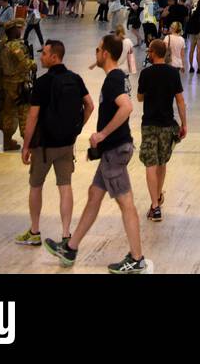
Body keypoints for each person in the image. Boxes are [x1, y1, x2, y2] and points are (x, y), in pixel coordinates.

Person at [45, 33, 147, 274]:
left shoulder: (113, 79)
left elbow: (127, 108)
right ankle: (70, 247)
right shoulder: (116, 76)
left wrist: (101, 135)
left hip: (116, 150)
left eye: (98, 49)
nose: (95, 52)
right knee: (94, 194)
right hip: (111, 151)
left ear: (106, 54)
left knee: (126, 204)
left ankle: (137, 257)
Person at [16, 39, 94, 249]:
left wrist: (26, 145)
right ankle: (66, 234)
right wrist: (77, 128)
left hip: (43, 146)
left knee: (36, 186)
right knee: (65, 186)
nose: (41, 56)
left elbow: (32, 117)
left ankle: (34, 231)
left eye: (44, 53)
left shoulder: (42, 83)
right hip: (66, 144)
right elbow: (90, 105)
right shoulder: (75, 79)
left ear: (54, 57)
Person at [137, 37, 187, 223]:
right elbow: (180, 101)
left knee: (150, 164)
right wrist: (184, 124)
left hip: (149, 124)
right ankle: (157, 196)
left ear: (153, 53)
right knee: (162, 162)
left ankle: (155, 207)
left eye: (149, 51)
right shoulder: (173, 73)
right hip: (167, 124)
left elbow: (140, 98)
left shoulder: (146, 74)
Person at [0, 22, 36, 151]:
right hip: (19, 86)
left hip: (6, 85)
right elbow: (25, 64)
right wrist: (33, 64)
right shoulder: (15, 47)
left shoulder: (3, 45)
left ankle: (5, 141)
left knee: (7, 114)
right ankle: (29, 143)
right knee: (25, 114)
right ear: (13, 31)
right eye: (19, 28)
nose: (21, 31)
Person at [185, 0, 200, 73]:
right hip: (199, 33)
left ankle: (191, 67)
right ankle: (199, 68)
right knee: (198, 51)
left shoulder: (193, 12)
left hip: (192, 33)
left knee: (191, 50)